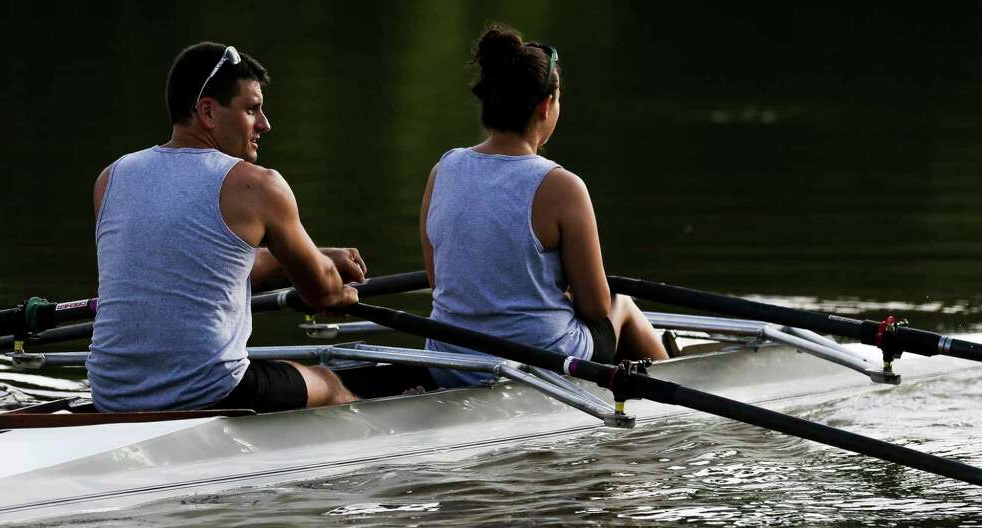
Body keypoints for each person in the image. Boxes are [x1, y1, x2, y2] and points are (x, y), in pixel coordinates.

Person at [86, 42, 365, 413]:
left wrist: (314, 256)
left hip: (110, 395)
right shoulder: (258, 185)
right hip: (209, 393)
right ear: (207, 112)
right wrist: (339, 292)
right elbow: (322, 292)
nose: (264, 123)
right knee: (328, 382)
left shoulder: (112, 178)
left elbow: (196, 263)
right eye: (251, 109)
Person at [420, 25, 668, 388]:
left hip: (448, 361)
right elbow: (595, 307)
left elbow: (438, 281)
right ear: (546, 105)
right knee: (622, 305)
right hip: (540, 362)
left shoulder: (443, 170)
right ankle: (676, 390)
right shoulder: (562, 186)